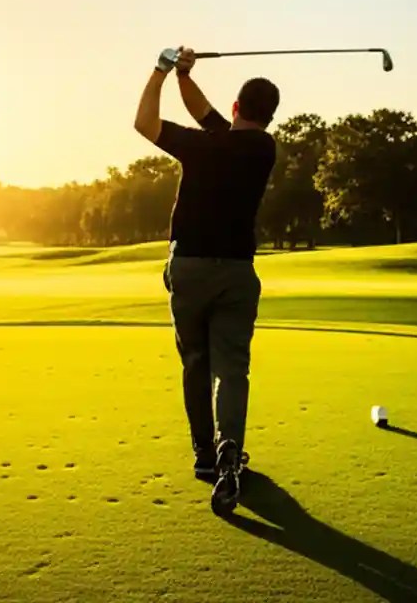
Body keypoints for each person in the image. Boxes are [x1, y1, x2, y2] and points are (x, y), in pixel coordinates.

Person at [132, 45, 278, 509]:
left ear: (235, 108)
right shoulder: (262, 148)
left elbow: (144, 124)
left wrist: (161, 72)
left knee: (196, 362)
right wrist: (184, 75)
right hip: (237, 272)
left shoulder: (202, 144)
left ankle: (204, 457)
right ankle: (229, 452)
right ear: (268, 116)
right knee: (232, 369)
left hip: (190, 268)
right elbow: (206, 113)